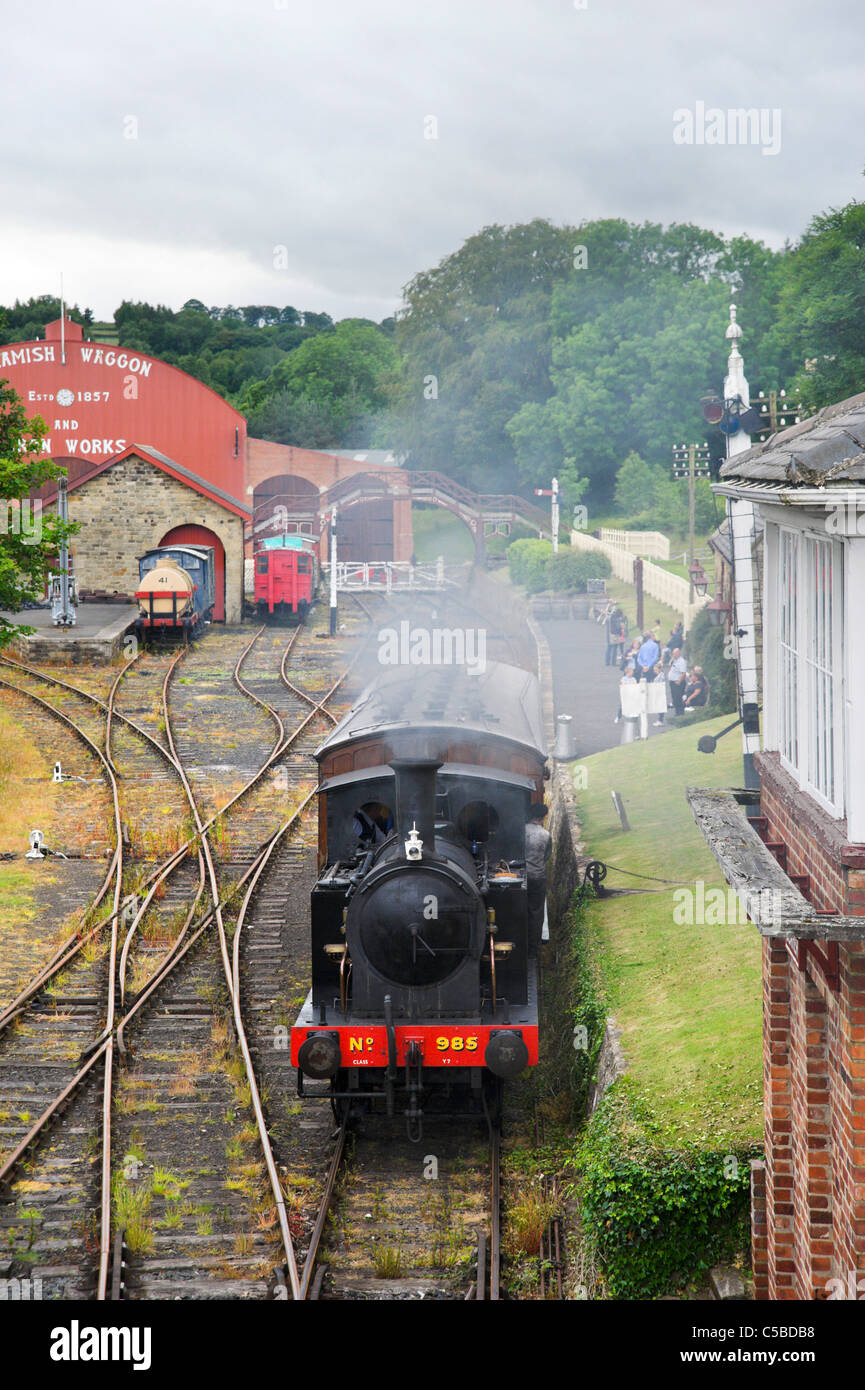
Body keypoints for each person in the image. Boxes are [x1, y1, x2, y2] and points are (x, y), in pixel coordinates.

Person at [524, 803, 552, 956]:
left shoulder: (520, 831)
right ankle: (533, 947)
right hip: (537, 876)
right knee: (536, 911)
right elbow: (547, 856)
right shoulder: (546, 835)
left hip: (521, 875)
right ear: (543, 817)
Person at [668, 647, 688, 715]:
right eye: (673, 654)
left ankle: (680, 713)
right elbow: (671, 667)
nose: (673, 655)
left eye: (674, 654)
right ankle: (677, 712)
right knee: (675, 699)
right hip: (673, 682)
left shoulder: (681, 661)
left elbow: (683, 673)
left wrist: (679, 680)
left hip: (678, 683)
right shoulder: (675, 660)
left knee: (678, 698)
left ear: (678, 653)